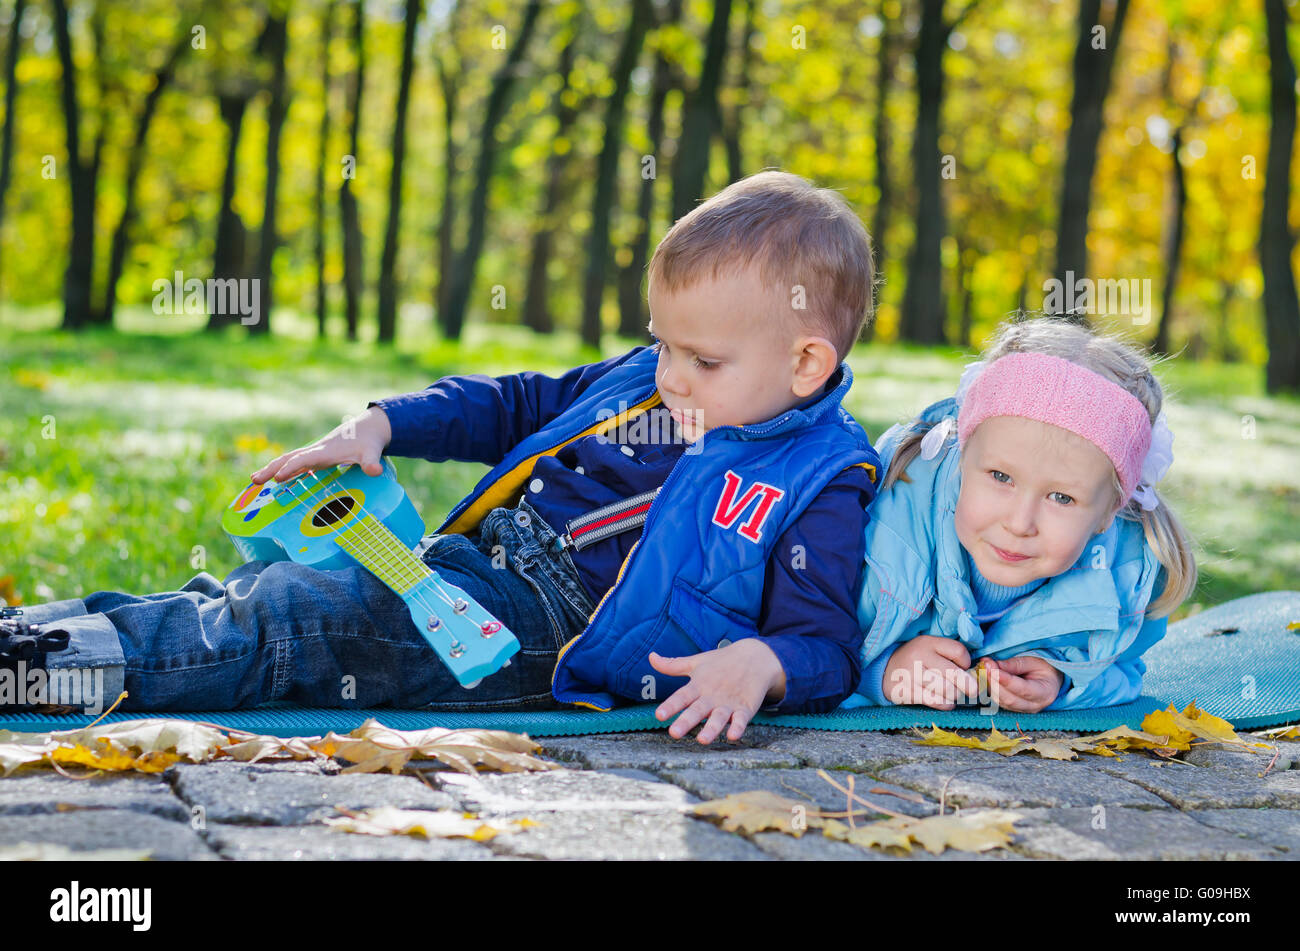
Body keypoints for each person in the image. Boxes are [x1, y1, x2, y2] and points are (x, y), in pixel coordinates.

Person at [11, 170, 882, 744]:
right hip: (472, 565)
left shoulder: (822, 475)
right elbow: (513, 402)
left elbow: (825, 644)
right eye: (663, 343)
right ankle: (41, 634)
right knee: (258, 594)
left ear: (807, 361)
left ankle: (49, 670)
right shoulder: (650, 378)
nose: (669, 375)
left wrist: (764, 666)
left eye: (703, 361)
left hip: (543, 634)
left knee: (302, 620)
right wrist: (383, 424)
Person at [840, 315, 1197, 713]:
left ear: (1108, 512)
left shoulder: (1126, 569)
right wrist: (884, 674)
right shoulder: (884, 522)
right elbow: (803, 644)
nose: (1019, 523)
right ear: (962, 455)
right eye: (1000, 476)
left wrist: (1061, 681)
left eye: (1061, 498)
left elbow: (1126, 672)